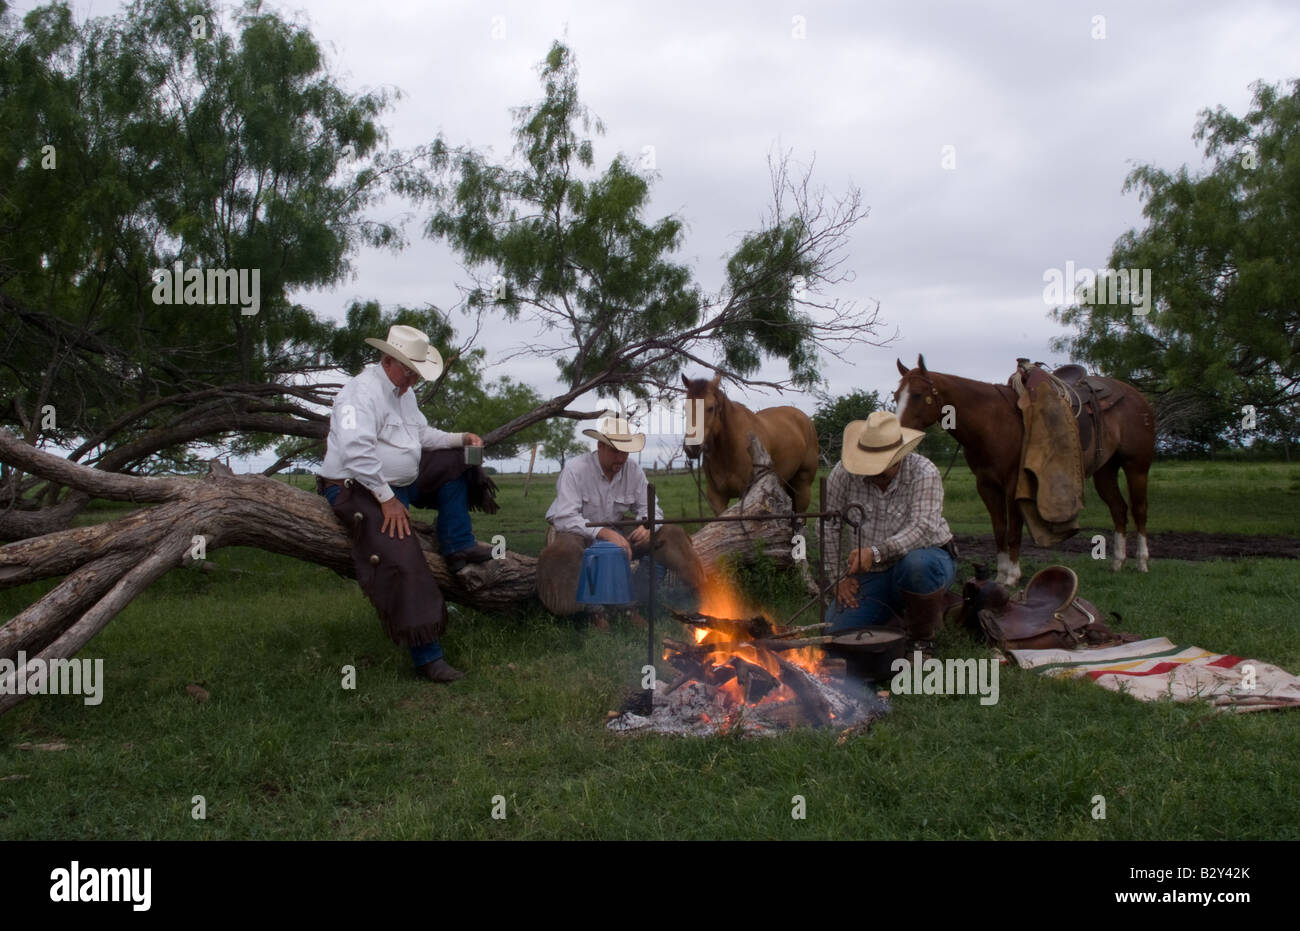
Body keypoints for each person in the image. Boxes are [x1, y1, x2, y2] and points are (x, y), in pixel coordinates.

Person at [317, 325, 498, 683]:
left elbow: (419, 434)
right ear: (387, 360)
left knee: (460, 460)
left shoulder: (404, 392)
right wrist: (386, 500)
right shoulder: (358, 394)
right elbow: (356, 453)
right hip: (359, 487)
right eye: (408, 370)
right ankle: (427, 655)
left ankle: (457, 542)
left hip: (400, 482)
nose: (412, 379)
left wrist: (459, 438)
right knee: (404, 554)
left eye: (416, 372)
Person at [537, 417, 705, 621]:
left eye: (625, 452)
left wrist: (647, 525)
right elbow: (565, 517)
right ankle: (589, 611)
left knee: (670, 534)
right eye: (615, 451)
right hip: (577, 531)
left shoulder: (632, 470)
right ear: (600, 446)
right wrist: (605, 534)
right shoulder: (575, 470)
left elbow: (651, 508)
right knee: (564, 552)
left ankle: (692, 593)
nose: (621, 458)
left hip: (616, 527)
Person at [824, 410, 957, 654]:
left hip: (926, 559)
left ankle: (921, 640)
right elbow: (828, 527)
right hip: (873, 573)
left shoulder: (923, 472)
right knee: (836, 636)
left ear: (898, 457)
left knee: (917, 565)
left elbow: (922, 528)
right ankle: (900, 614)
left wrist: (875, 552)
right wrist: (837, 579)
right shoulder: (842, 475)